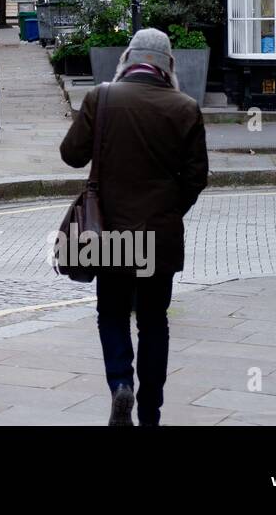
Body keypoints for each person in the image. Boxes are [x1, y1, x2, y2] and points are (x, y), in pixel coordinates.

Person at [59, 27, 208, 426]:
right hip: (159, 236)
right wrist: (169, 210)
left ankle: (121, 382)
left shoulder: (101, 97)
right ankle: (150, 413)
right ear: (169, 66)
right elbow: (196, 179)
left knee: (111, 313)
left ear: (127, 58)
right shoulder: (186, 108)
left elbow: (71, 155)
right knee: (154, 322)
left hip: (111, 234)